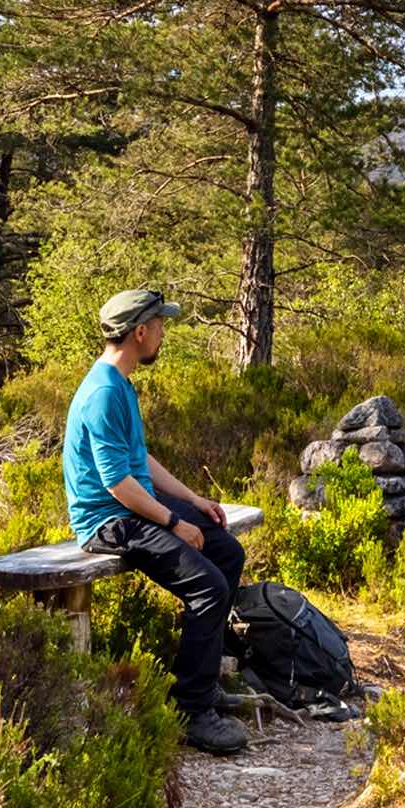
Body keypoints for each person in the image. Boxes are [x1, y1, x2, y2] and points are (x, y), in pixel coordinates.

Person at [63, 288, 250, 754]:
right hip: (109, 521)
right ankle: (192, 711)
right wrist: (173, 522)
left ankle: (203, 684)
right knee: (206, 587)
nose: (164, 332)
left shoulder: (120, 383)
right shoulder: (104, 391)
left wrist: (194, 501)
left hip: (134, 507)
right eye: (161, 325)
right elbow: (117, 485)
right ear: (140, 332)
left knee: (227, 550)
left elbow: (139, 459)